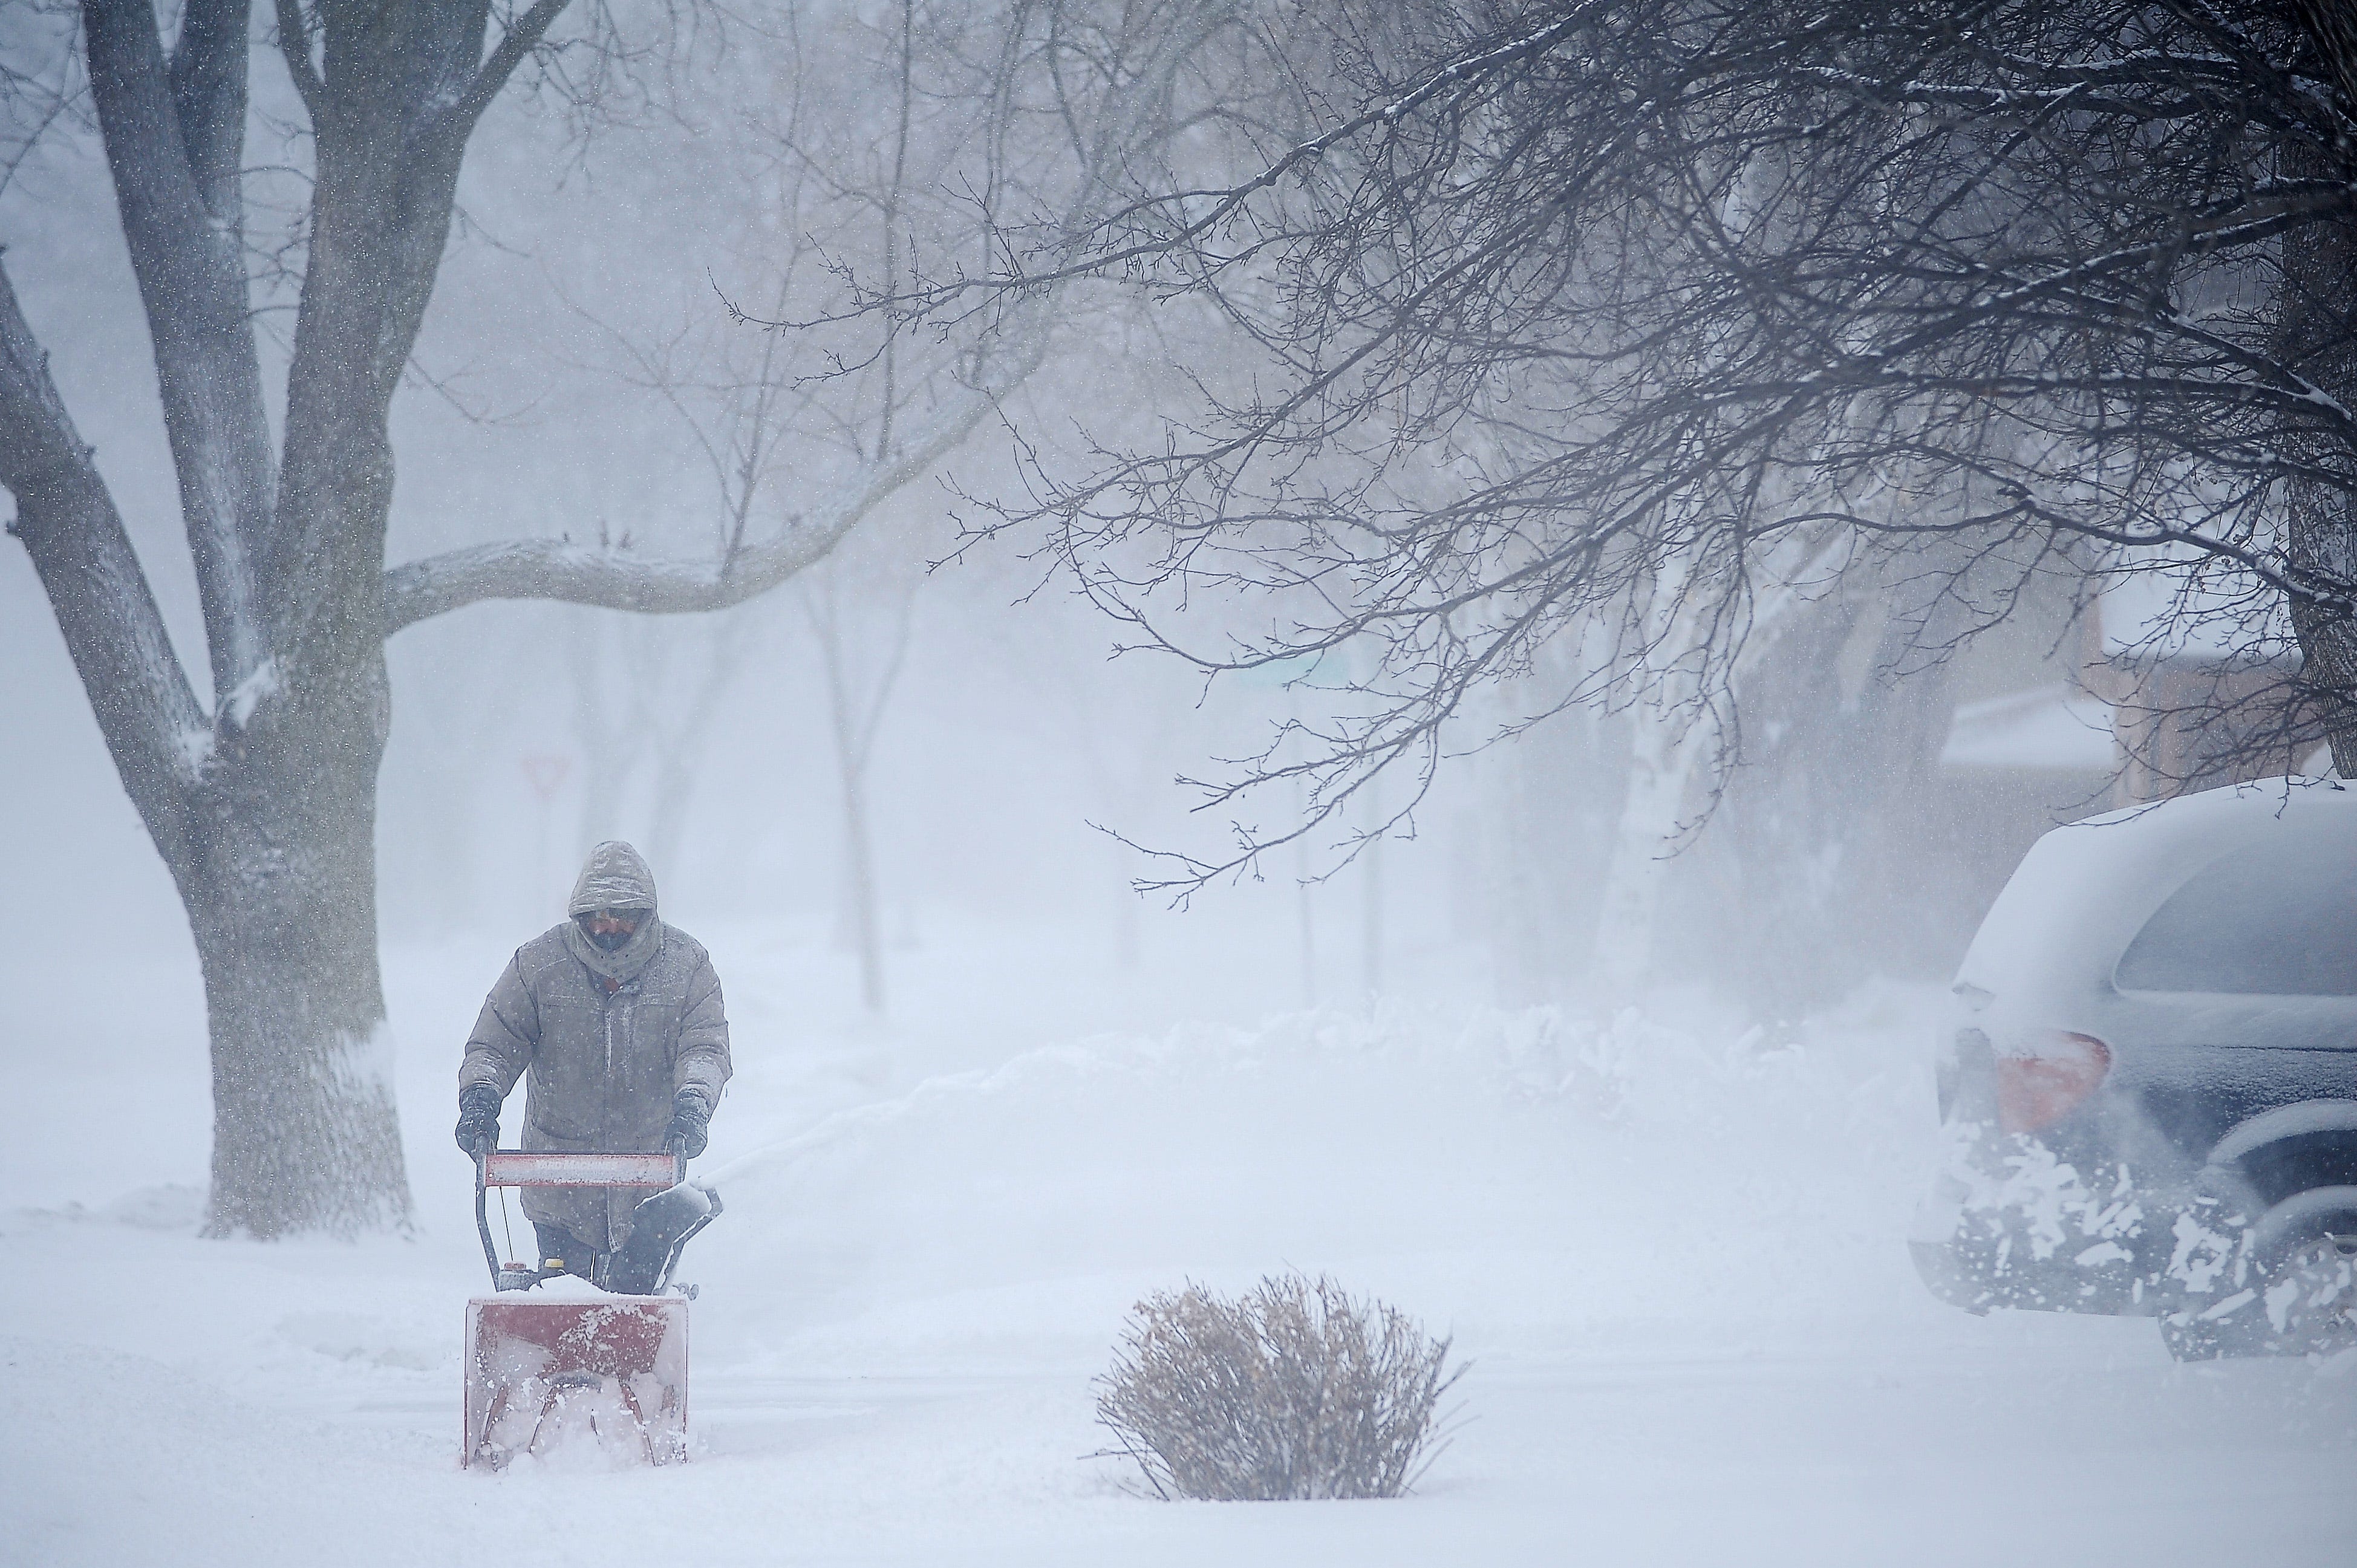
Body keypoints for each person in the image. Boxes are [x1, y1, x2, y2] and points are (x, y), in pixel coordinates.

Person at [456, 840, 731, 1290]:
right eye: (597, 916)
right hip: (558, 1185)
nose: (608, 928)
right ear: (579, 914)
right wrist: (480, 1100)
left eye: (622, 915)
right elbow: (494, 1042)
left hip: (650, 1182)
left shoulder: (686, 967)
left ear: (646, 915)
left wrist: (693, 1105)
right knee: (561, 1299)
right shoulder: (539, 965)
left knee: (637, 1306)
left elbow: (705, 1048)